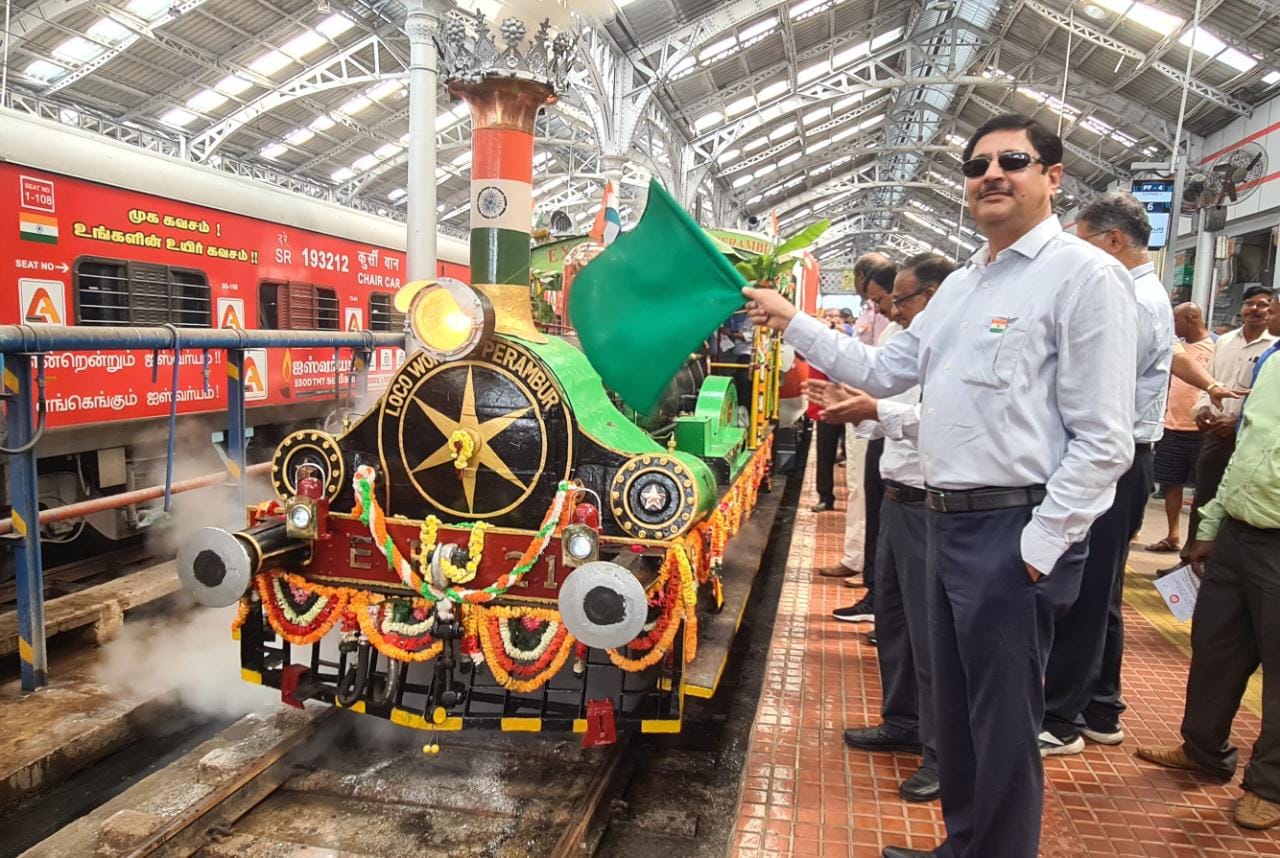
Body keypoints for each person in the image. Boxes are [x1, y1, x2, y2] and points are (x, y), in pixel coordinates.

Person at [744, 113, 1137, 858]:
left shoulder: (1085, 277)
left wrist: (1039, 547)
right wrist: (793, 319)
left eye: (1012, 160)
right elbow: (888, 371)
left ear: (1052, 177)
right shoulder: (961, 286)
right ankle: (961, 846)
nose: (991, 173)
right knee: (952, 711)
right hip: (943, 518)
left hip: (1009, 530)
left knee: (1001, 719)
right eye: (977, 163)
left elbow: (1105, 440)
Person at [812, 253, 956, 803]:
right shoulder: (913, 343)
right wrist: (861, 409)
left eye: (902, 300)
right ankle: (903, 721)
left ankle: (942, 753)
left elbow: (944, 422)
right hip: (899, 498)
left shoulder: (954, 345)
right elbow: (890, 403)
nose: (893, 311)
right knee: (895, 620)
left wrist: (876, 409)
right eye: (888, 301)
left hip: (931, 504)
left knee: (930, 633)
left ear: (936, 294)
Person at [1135, 290, 1280, 830]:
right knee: (1216, 645)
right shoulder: (1274, 363)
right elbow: (1249, 448)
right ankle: (1203, 748)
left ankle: (1269, 786)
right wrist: (1213, 524)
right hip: (1239, 531)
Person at [1040, 193, 1172, 756]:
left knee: (1087, 590)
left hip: (1114, 460)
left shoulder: (1128, 299)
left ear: (1113, 240)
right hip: (1129, 457)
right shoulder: (1142, 292)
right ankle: (1100, 706)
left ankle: (1061, 718)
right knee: (1104, 587)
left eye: (1082, 241)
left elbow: (1103, 391)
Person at [1172, 286, 1277, 572]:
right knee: (1205, 495)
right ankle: (1188, 559)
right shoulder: (1226, 341)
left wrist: (1238, 421)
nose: (1255, 309)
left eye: (1263, 305)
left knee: (1238, 500)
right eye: (1249, 303)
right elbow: (1212, 382)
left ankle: (1222, 563)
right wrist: (1203, 409)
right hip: (1215, 434)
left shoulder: (1273, 348)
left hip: (1248, 439)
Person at [815, 253, 893, 579]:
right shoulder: (869, 312)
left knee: (865, 488)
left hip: (874, 411)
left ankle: (862, 561)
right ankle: (856, 556)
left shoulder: (888, 317)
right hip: (861, 407)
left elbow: (877, 366)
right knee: (859, 486)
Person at [1147, 303, 1216, 554]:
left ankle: (1194, 543)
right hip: (1171, 428)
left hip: (1202, 432)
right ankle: (1172, 535)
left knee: (1203, 489)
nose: (1172, 328)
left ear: (1189, 319)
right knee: (1170, 484)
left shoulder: (1215, 347)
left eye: (1175, 322)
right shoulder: (1173, 348)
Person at [810, 310, 848, 512]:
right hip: (825, 407)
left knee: (853, 451)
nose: (832, 319)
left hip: (851, 403)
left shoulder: (847, 341)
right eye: (828, 316)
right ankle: (825, 496)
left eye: (836, 316)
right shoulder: (815, 349)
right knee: (825, 453)